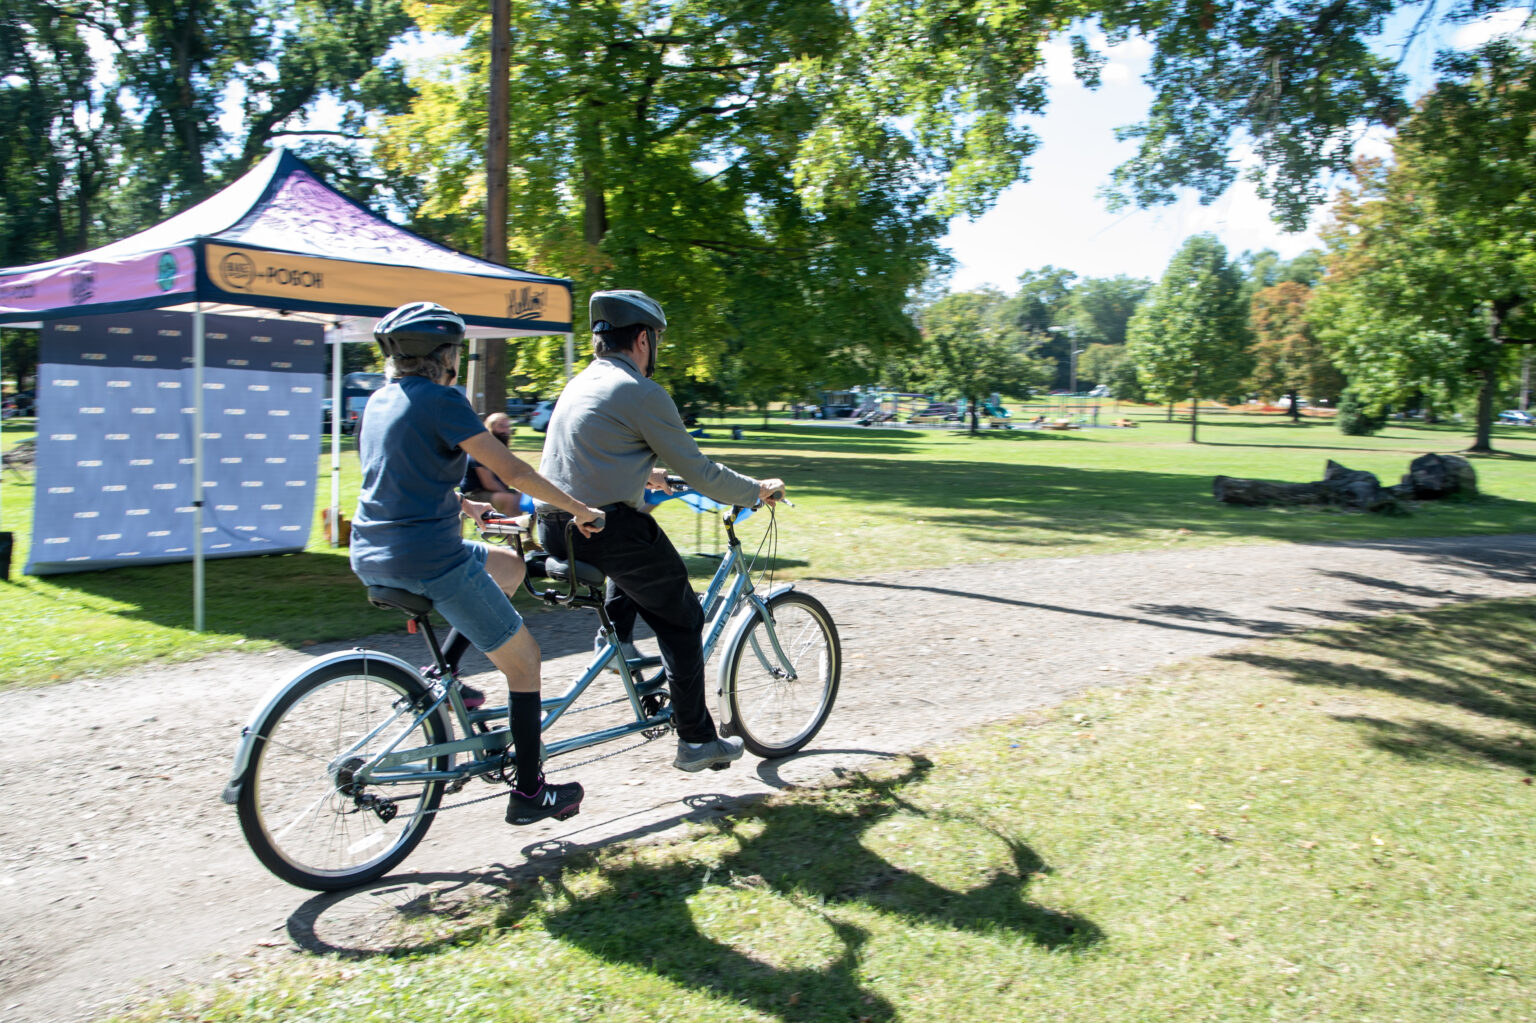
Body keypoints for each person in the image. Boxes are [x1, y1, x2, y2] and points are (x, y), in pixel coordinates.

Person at [348, 301, 605, 826]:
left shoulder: (379, 401)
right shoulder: (443, 401)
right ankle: (531, 791)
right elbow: (510, 469)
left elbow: (392, 471)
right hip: (429, 559)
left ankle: (443, 673)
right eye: (456, 352)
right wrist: (580, 510)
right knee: (525, 661)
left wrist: (464, 505)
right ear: (445, 356)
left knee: (507, 568)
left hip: (372, 553)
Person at [536, 289, 785, 773]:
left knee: (639, 558)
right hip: (603, 527)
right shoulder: (641, 391)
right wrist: (757, 489)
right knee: (683, 617)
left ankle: (616, 646)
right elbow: (702, 472)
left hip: (553, 526)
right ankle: (695, 740)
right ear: (645, 339)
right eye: (658, 342)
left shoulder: (581, 382)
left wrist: (649, 475)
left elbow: (594, 450)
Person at [461, 412, 527, 515]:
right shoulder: (481, 449)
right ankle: (503, 529)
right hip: (474, 493)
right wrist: (508, 494)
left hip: (493, 491)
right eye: (501, 426)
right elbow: (489, 483)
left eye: (507, 427)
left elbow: (509, 477)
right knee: (509, 499)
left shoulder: (502, 451)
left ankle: (522, 530)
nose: (505, 430)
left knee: (529, 500)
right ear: (490, 428)